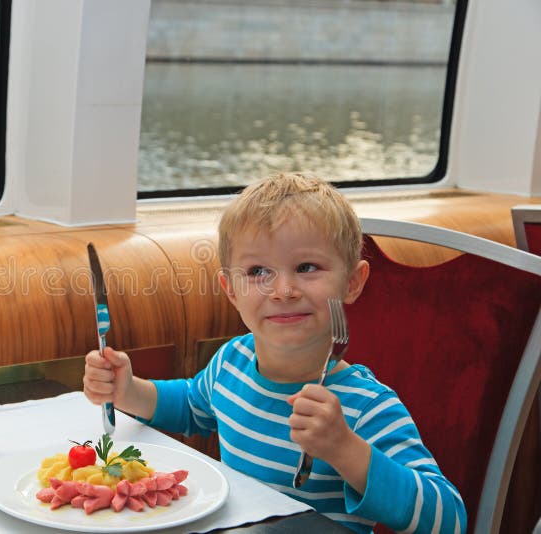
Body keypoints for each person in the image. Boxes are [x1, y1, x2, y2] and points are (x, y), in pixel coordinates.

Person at [83, 172, 466, 533]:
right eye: (258, 272)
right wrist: (128, 390)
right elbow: (191, 406)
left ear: (352, 282)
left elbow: (448, 520)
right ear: (231, 290)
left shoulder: (365, 406)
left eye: (306, 267)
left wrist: (346, 450)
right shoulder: (231, 363)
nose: (283, 290)